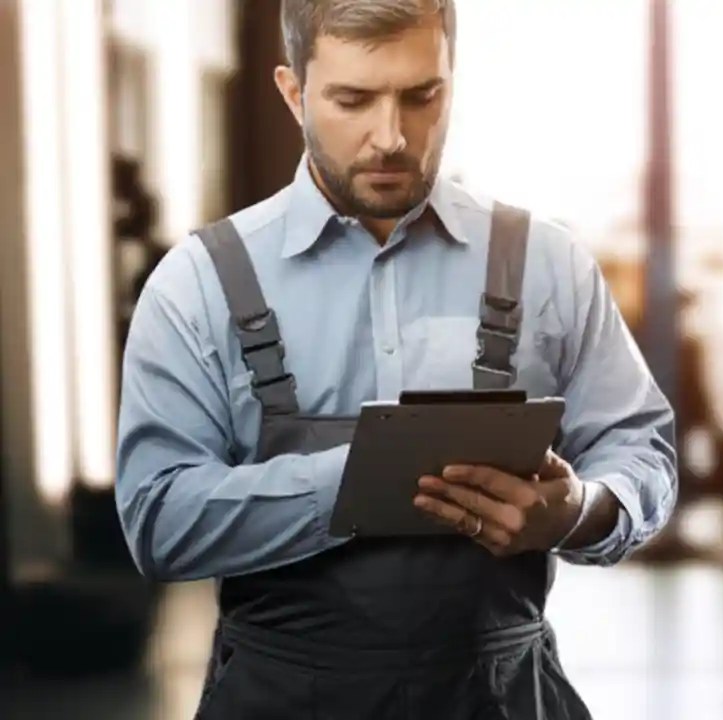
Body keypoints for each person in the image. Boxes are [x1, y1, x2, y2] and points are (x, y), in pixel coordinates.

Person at [113, 1, 677, 717]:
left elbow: (640, 451)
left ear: (452, 80)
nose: (391, 137)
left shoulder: (548, 265)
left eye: (421, 96)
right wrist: (367, 477)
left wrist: (578, 511)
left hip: (501, 699)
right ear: (293, 92)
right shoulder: (198, 285)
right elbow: (160, 519)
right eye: (353, 100)